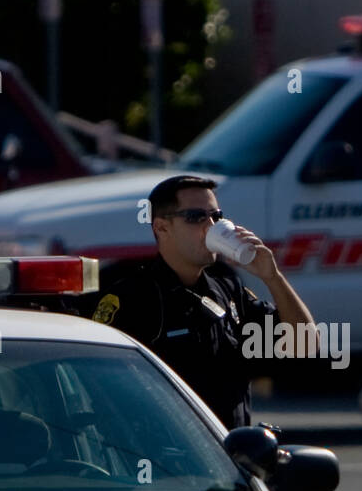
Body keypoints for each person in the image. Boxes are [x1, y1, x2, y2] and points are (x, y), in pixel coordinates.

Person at [90, 174, 316, 429]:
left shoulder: (226, 287)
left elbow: (304, 345)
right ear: (162, 227)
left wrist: (273, 278)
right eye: (196, 217)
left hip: (234, 457)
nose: (211, 226)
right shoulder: (133, 299)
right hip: (175, 461)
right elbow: (106, 397)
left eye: (217, 217)